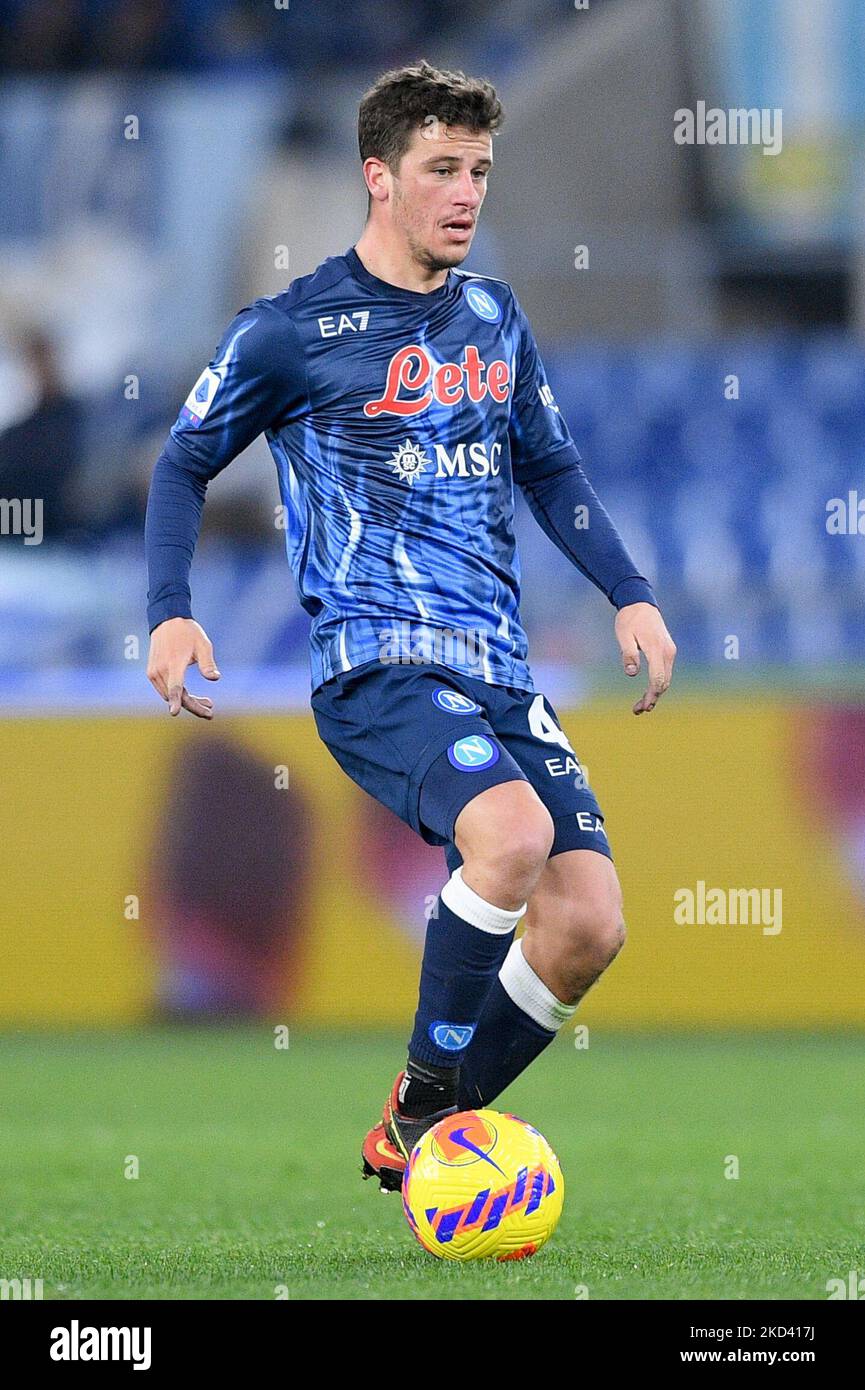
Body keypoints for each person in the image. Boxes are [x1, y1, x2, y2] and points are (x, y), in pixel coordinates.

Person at [144, 60, 676, 1192]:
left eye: (479, 170)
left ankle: (417, 1133)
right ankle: (432, 1101)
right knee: (513, 837)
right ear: (377, 177)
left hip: (498, 667)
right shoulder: (290, 331)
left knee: (588, 929)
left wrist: (628, 590)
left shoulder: (493, 315)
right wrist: (171, 614)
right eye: (442, 168)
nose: (466, 193)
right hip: (377, 667)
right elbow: (183, 461)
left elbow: (552, 468)